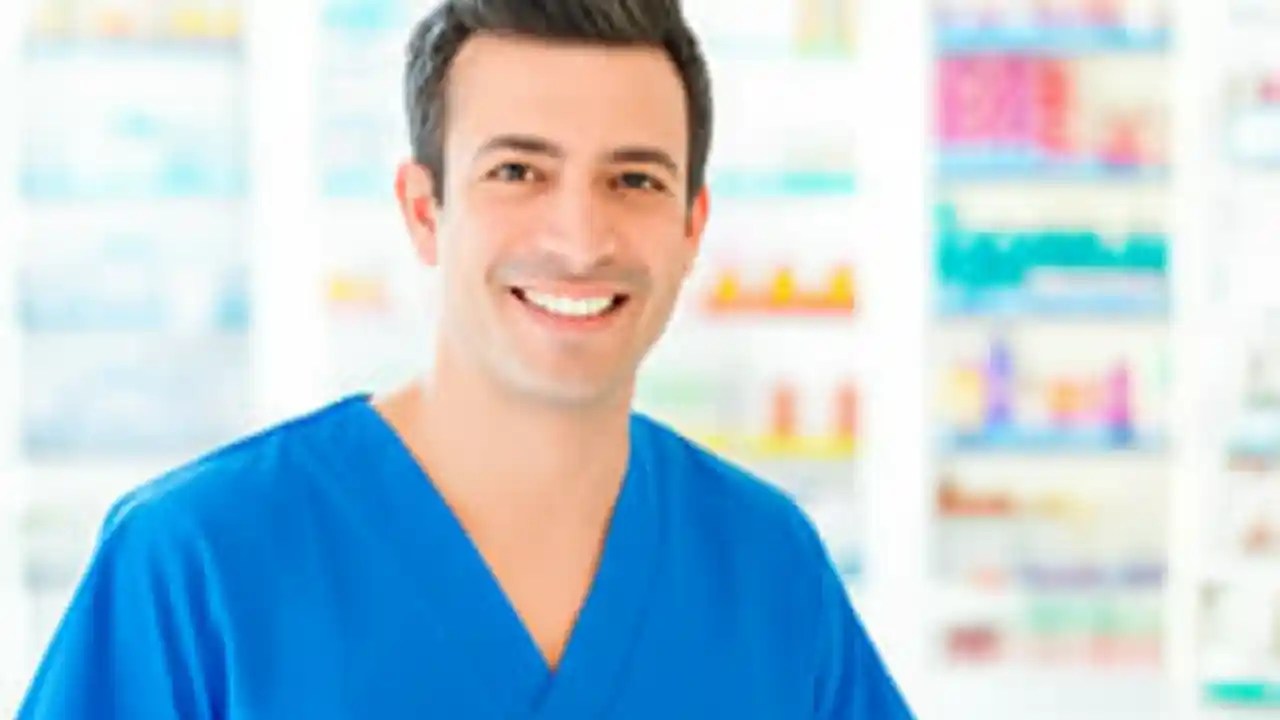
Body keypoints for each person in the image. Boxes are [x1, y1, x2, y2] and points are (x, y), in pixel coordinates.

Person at [18, 1, 913, 717]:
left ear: (691, 227)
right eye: (518, 172)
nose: (579, 238)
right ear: (423, 211)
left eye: (633, 180)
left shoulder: (764, 569)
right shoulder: (196, 563)